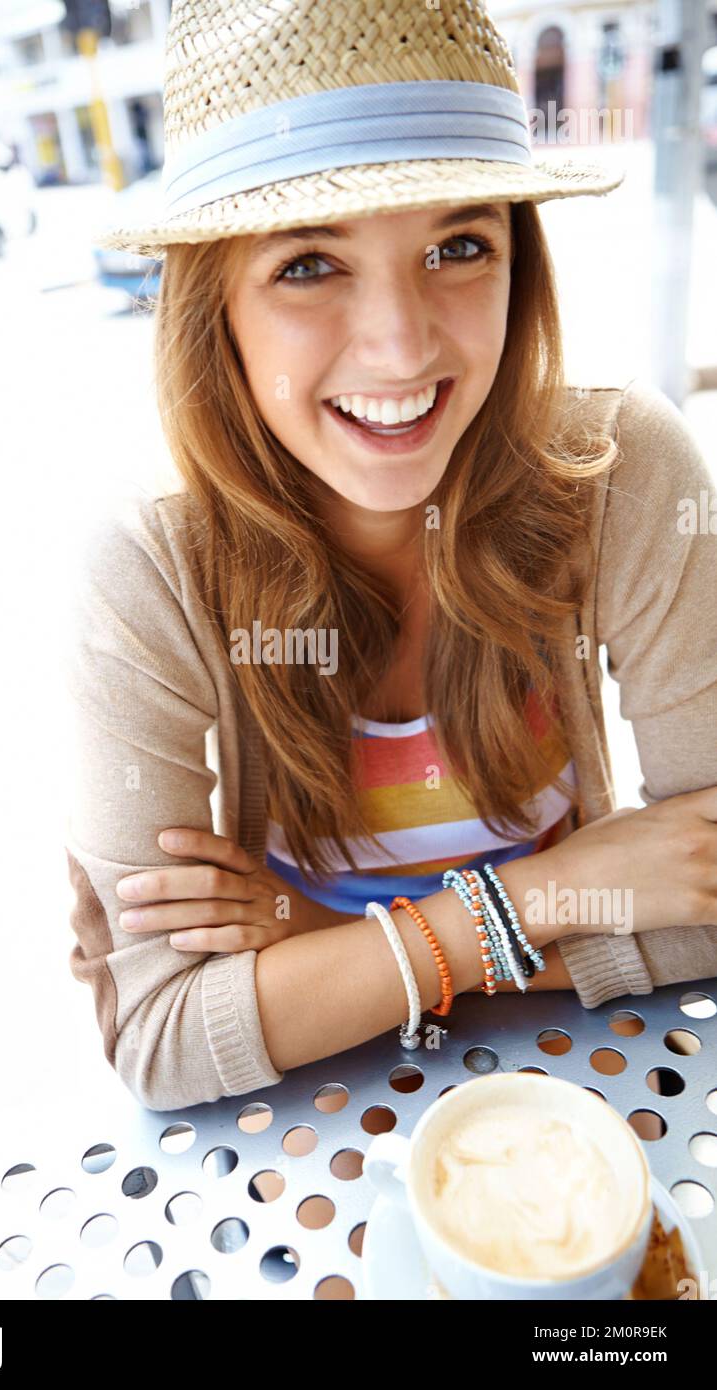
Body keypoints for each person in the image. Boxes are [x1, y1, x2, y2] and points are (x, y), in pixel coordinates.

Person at [64, 0, 717, 1111]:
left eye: (457, 245)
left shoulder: (622, 472)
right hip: (319, 1103)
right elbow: (160, 1038)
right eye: (309, 265)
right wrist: (549, 897)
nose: (403, 345)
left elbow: (703, 893)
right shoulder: (151, 566)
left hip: (578, 1069)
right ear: (210, 303)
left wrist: (311, 946)